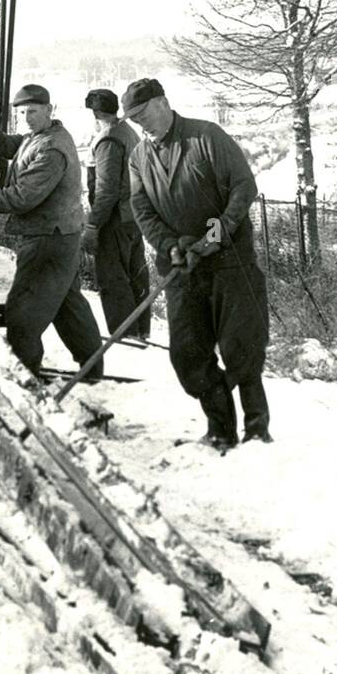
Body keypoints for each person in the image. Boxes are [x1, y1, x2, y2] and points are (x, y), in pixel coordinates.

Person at [123, 77, 271, 447]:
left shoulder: (206, 136)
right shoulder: (139, 157)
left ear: (163, 102)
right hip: (182, 268)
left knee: (242, 348)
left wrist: (215, 235)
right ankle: (220, 429)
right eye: (134, 118)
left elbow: (243, 186)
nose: (142, 123)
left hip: (230, 262)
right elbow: (142, 209)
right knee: (188, 353)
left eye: (144, 113)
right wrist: (170, 245)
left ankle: (256, 431)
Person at [0, 82, 103, 379]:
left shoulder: (51, 148)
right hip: (60, 236)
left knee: (23, 310)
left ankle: (24, 375)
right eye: (22, 112)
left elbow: (23, 198)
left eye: (33, 112)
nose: (27, 118)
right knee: (66, 304)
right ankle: (92, 369)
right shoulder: (40, 137)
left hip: (46, 239)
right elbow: (2, 145)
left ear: (49, 110)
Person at [82, 88, 150, 339]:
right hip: (133, 216)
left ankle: (125, 336)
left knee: (113, 280)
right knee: (136, 278)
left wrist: (93, 224)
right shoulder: (128, 132)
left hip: (114, 219)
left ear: (96, 112)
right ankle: (141, 332)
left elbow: (106, 189)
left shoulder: (108, 139)